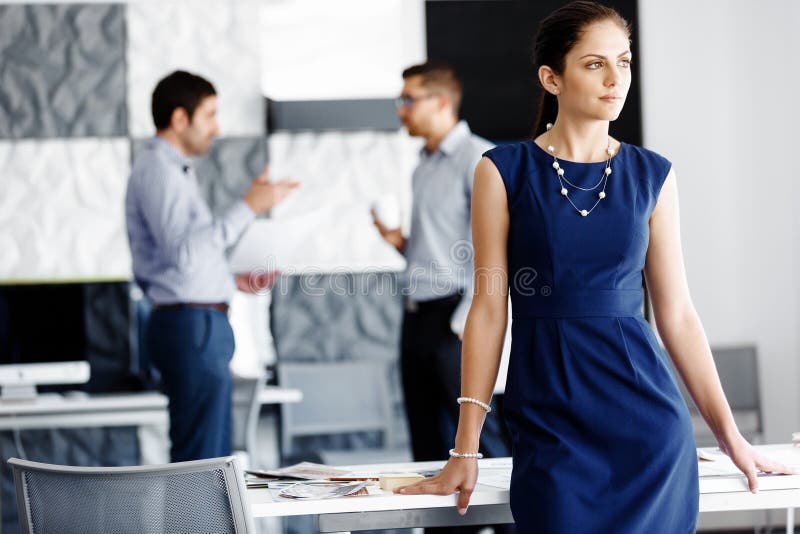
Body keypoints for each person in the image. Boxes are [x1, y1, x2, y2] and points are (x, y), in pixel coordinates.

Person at [394, 2, 795, 532]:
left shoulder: (653, 175)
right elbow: (490, 310)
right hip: (549, 417)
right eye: (595, 63)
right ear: (551, 77)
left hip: (649, 428)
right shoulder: (502, 171)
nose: (615, 78)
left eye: (624, 62)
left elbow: (676, 316)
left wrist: (729, 436)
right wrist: (465, 447)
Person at [125, 70, 298, 462]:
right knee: (200, 463)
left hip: (200, 325)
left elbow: (186, 259)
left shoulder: (172, 169)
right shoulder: (158, 170)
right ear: (180, 118)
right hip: (190, 327)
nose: (217, 128)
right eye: (210, 115)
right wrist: (249, 207)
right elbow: (183, 254)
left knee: (213, 460)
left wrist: (231, 279)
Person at [374, 61, 514, 534]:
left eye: (409, 100)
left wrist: (462, 322)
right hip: (417, 315)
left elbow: (497, 249)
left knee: (477, 443)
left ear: (441, 103)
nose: (401, 110)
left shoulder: (481, 159)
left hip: (455, 318)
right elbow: (437, 245)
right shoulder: (422, 165)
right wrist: (398, 241)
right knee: (428, 446)